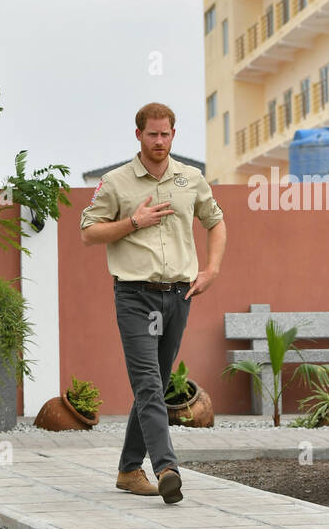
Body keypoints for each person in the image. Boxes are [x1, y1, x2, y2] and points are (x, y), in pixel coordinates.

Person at [80, 103, 227, 504]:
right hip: (135, 296)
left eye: (165, 134)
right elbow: (89, 233)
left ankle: (129, 470)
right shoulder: (116, 182)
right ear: (138, 135)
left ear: (173, 135)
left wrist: (211, 270)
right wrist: (133, 223)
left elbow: (216, 222)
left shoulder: (191, 179)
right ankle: (166, 468)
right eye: (152, 135)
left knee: (156, 385)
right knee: (147, 383)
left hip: (179, 295)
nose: (159, 141)